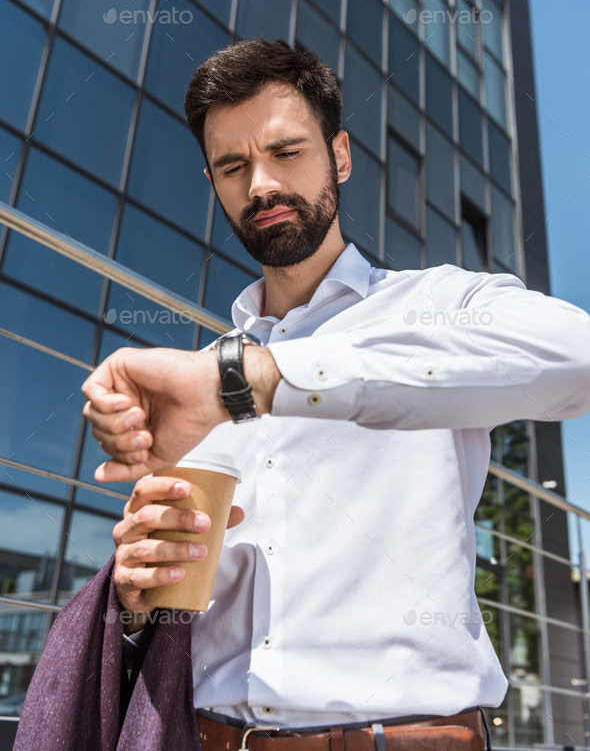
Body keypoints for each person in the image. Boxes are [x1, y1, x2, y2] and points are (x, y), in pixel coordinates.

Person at [37, 40, 590, 750]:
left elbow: (576, 359)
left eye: (287, 152)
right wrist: (140, 600)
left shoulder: (435, 307)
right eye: (233, 167)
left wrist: (255, 382)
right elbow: (187, 603)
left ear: (342, 156)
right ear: (213, 182)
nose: (260, 184)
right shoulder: (200, 376)